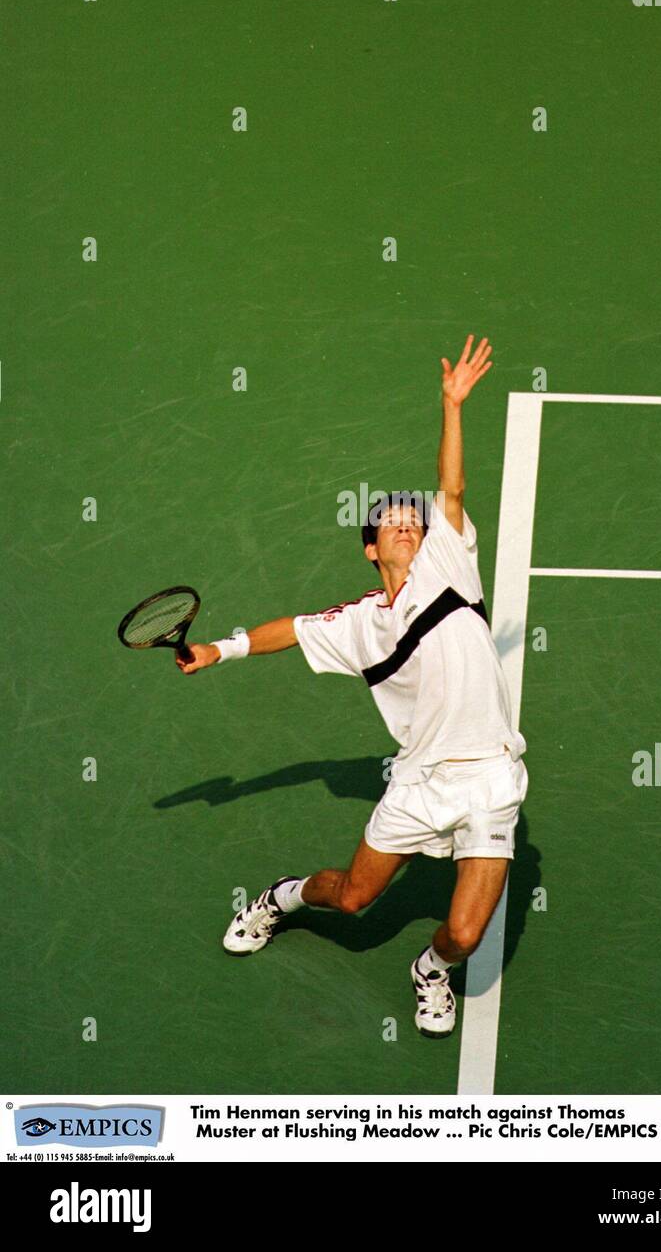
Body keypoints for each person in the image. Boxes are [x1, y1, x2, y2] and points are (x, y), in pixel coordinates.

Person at [177, 335, 527, 1037]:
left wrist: (451, 406)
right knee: (354, 897)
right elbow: (293, 628)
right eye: (392, 524)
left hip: (489, 776)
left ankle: (429, 971)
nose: (407, 526)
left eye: (414, 522)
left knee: (461, 935)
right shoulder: (357, 622)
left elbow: (451, 488)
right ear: (371, 548)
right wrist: (220, 648)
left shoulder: (450, 568)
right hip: (418, 782)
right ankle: (283, 897)